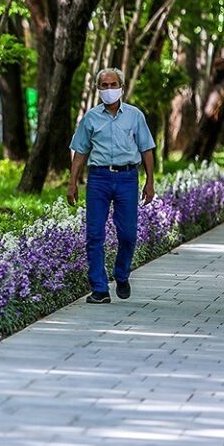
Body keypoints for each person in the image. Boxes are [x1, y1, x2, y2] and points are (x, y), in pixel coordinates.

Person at [67, 68, 156, 304]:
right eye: (104, 85)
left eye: (113, 84)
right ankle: (99, 288)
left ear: (122, 87)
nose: (109, 89)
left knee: (127, 234)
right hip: (98, 179)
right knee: (94, 234)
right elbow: (80, 151)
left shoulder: (135, 116)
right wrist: (72, 183)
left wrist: (150, 181)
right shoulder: (91, 118)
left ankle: (122, 274)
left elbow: (146, 148)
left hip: (127, 178)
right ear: (98, 89)